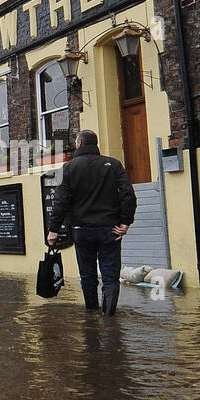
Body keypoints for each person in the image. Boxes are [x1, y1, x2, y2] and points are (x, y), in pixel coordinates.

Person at [47, 130, 137, 315]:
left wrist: (53, 230)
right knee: (110, 277)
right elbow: (128, 195)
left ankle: (91, 314)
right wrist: (125, 223)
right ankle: (109, 318)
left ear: (79, 143)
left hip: (82, 230)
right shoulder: (113, 165)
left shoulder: (68, 168)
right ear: (95, 144)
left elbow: (60, 201)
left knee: (87, 275)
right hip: (110, 229)